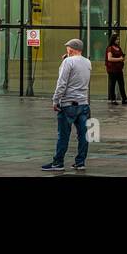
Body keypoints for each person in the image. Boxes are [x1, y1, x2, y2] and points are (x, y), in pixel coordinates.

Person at [42, 38, 92, 172]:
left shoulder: (68, 61)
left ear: (71, 49)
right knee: (83, 136)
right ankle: (80, 162)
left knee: (63, 135)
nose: (66, 50)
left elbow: (62, 83)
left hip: (68, 104)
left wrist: (55, 100)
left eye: (68, 48)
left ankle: (58, 163)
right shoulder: (87, 62)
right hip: (83, 104)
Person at [105, 33, 127, 105]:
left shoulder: (119, 48)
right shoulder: (110, 48)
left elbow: (120, 57)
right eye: (117, 39)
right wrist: (120, 59)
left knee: (121, 84)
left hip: (119, 69)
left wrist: (122, 58)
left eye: (118, 39)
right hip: (112, 70)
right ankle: (113, 100)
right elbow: (109, 58)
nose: (118, 40)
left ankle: (124, 99)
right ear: (113, 40)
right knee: (113, 84)